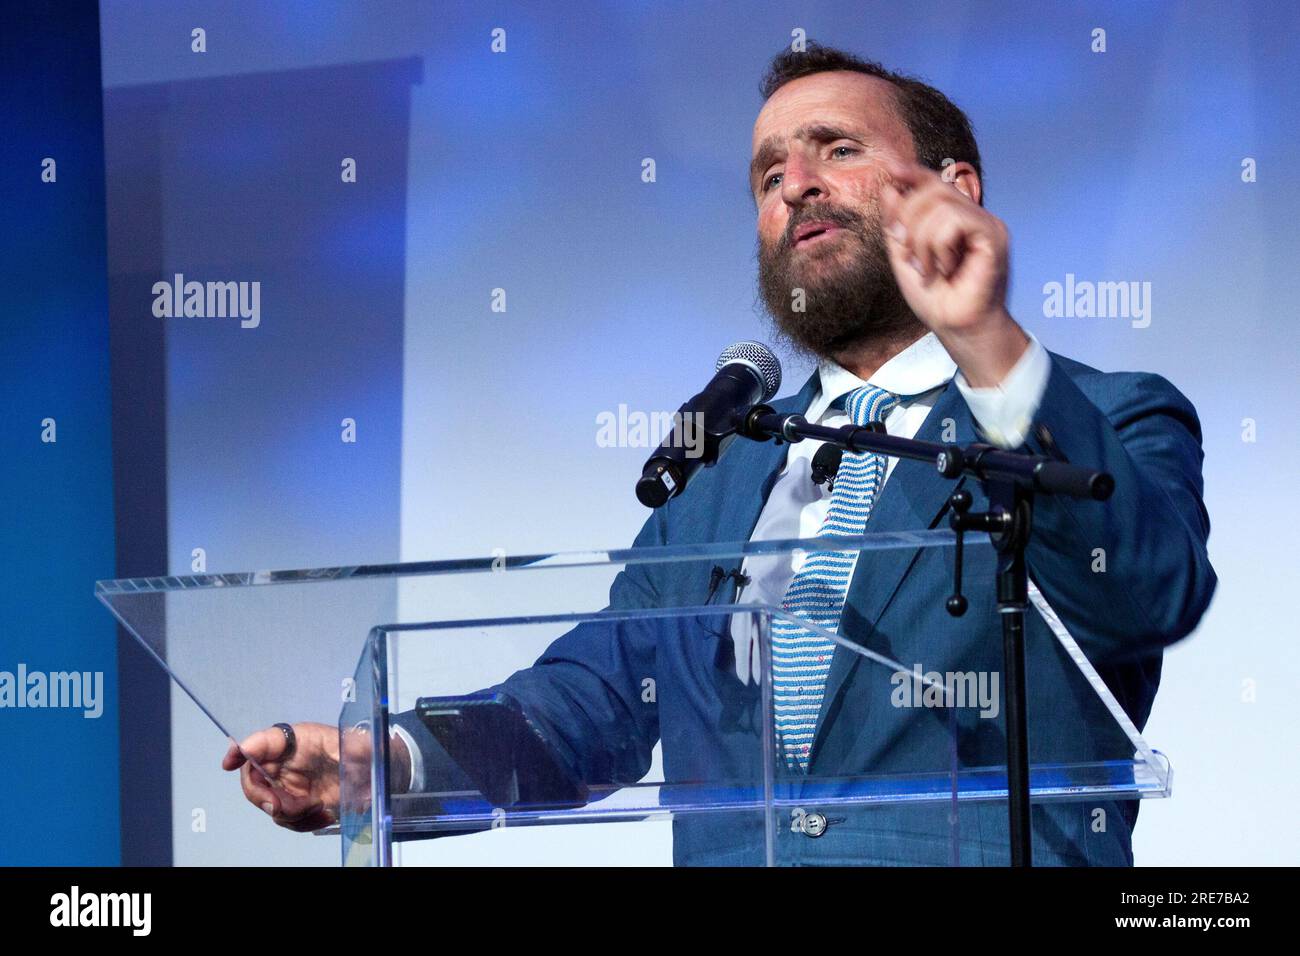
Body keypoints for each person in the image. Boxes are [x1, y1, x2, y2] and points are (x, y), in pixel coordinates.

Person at [224, 43, 1215, 865]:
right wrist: (386, 761)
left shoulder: (1109, 416)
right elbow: (595, 699)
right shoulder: (724, 472)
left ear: (954, 190)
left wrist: (988, 342)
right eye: (768, 174)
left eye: (837, 149)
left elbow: (1141, 594)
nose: (796, 186)